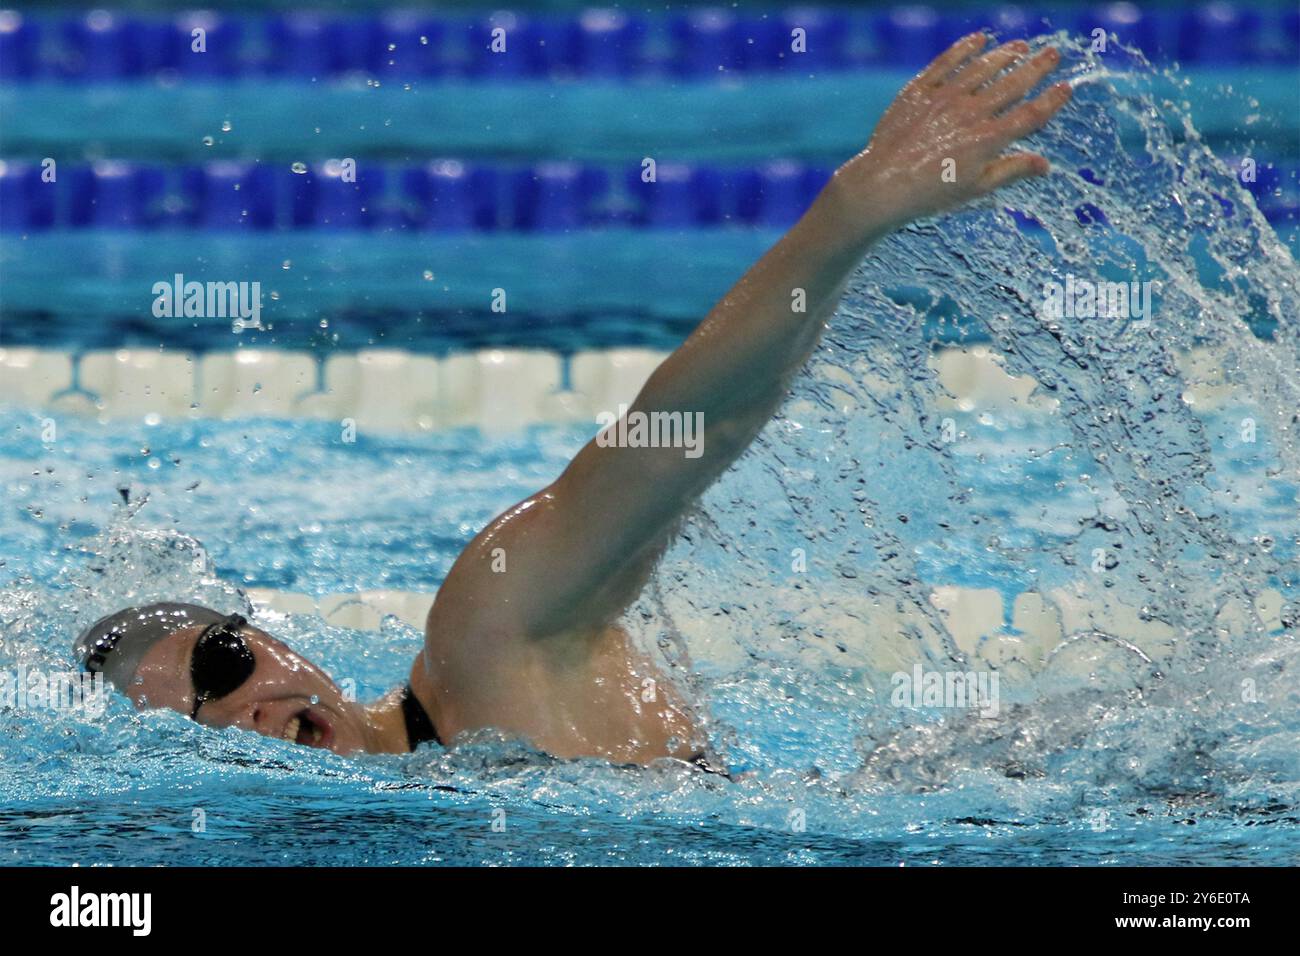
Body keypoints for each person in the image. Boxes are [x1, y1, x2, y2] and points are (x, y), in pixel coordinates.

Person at [74, 35, 1071, 770]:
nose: (239, 708)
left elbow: (684, 435)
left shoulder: (492, 634)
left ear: (272, 637)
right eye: (189, 722)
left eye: (220, 659)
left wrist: (849, 213)